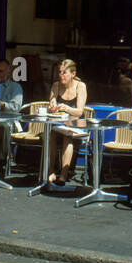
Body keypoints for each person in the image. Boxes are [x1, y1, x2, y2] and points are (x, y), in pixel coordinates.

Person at [44, 59, 88, 189]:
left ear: (73, 74)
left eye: (64, 73)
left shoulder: (81, 86)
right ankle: (50, 171)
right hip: (59, 123)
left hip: (76, 124)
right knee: (51, 135)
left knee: (67, 135)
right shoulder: (56, 85)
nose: (61, 75)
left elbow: (80, 111)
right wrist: (52, 106)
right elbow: (51, 103)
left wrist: (66, 108)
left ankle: (63, 174)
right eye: (60, 72)